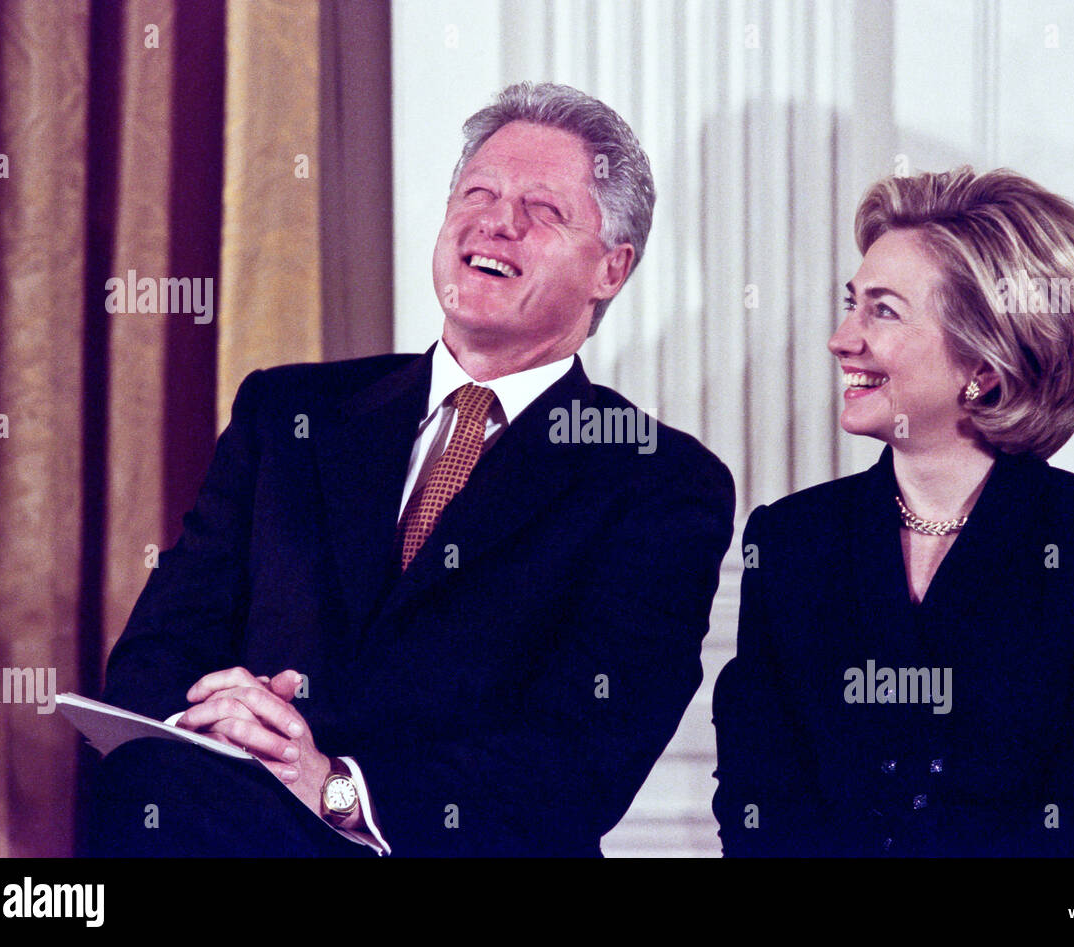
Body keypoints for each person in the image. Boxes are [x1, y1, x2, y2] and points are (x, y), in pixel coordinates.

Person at [89, 82, 735, 857]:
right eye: (480, 192)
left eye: (544, 209)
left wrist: (335, 783)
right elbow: (153, 658)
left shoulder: (660, 483)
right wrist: (224, 723)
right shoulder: (286, 410)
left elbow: (579, 760)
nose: (499, 220)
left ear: (611, 269)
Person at [712, 166, 1074, 857]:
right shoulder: (789, 539)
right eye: (852, 303)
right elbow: (758, 803)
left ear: (983, 365)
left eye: (883, 310)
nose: (842, 338)